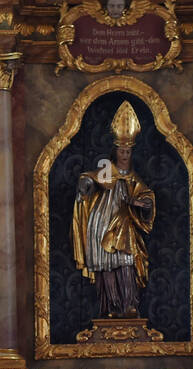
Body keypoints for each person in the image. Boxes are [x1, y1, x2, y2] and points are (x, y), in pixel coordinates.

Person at [72, 101, 156, 318]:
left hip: (124, 224)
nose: (125, 155)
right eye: (122, 151)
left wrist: (143, 204)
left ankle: (129, 305)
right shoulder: (106, 169)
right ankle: (110, 307)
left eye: (128, 151)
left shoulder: (133, 178)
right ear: (115, 151)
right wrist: (87, 185)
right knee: (106, 266)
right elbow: (89, 181)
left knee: (127, 262)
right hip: (101, 222)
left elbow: (145, 195)